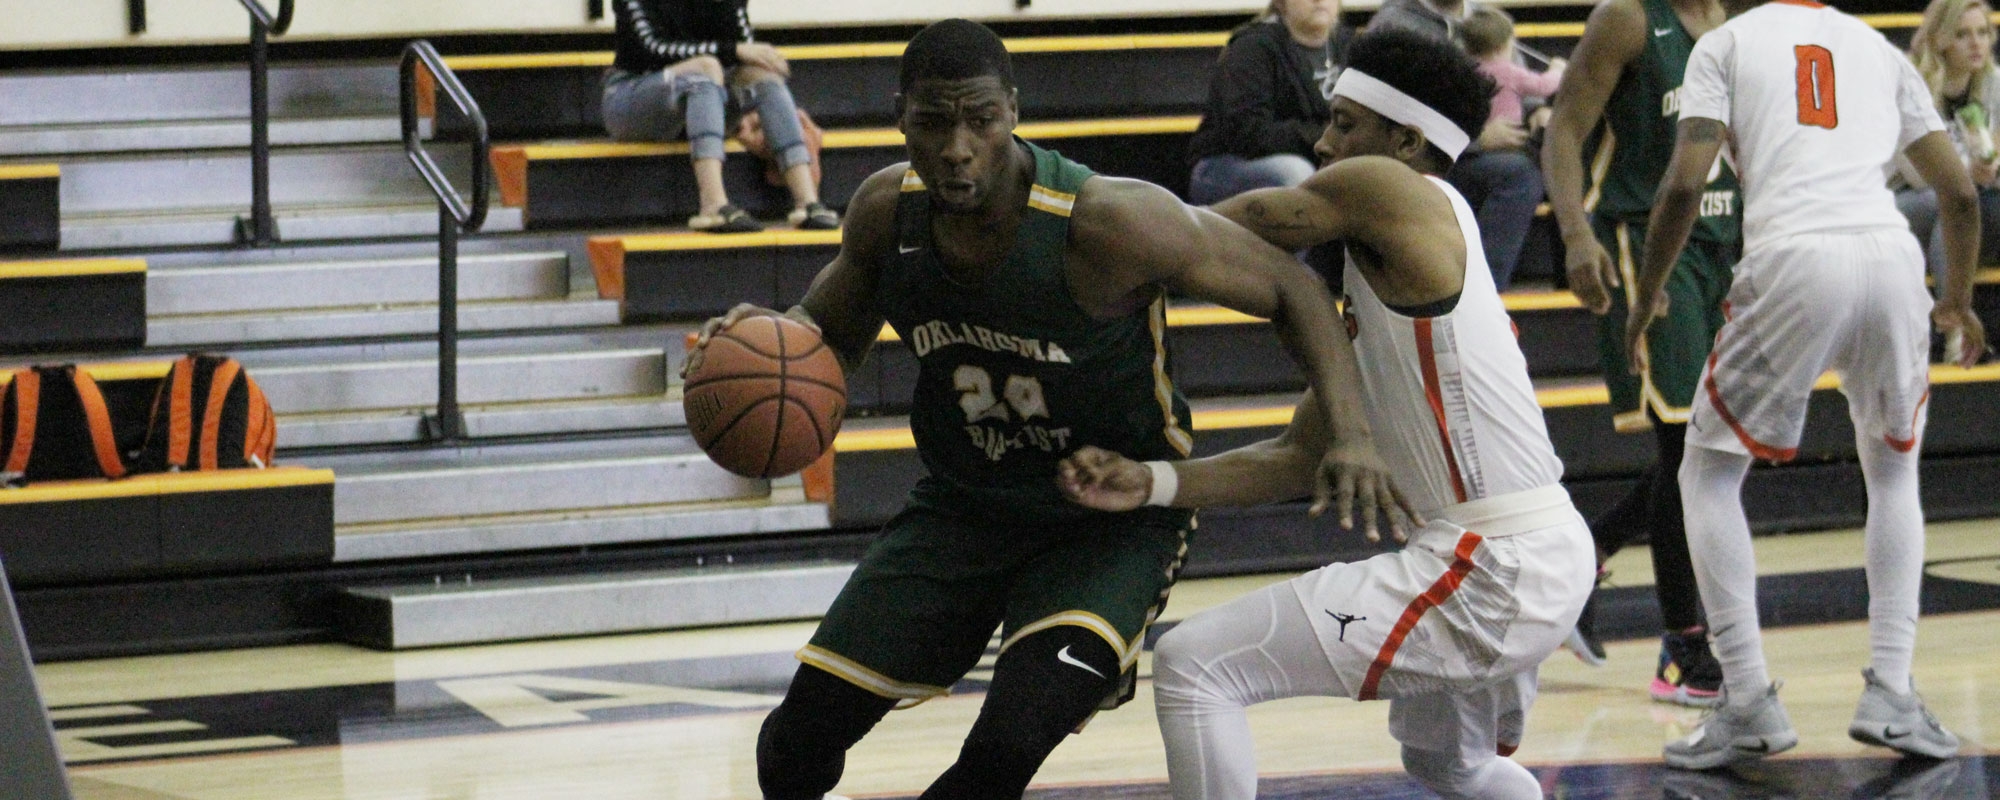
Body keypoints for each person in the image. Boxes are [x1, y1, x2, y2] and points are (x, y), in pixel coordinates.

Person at [699, 20, 1404, 800]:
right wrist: (764, 341)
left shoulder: (1107, 222)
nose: (958, 147)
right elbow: (825, 334)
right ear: (901, 118)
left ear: (1013, 111)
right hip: (964, 508)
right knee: (793, 743)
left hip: (1109, 519)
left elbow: (1293, 286)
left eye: (981, 120)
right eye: (934, 122)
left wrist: (1352, 433)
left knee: (1003, 749)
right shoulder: (886, 213)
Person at [1060, 29, 1595, 800]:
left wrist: (1065, 226)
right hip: (1535, 552)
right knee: (1451, 766)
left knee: (1195, 666)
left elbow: (1203, 232)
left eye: (1344, 123)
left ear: (1404, 142)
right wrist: (1151, 483)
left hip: (1492, 562)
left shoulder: (1390, 186)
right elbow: (1294, 458)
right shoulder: (1403, 278)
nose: (1322, 141)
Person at [1627, 0, 1987, 769]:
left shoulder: (1723, 44)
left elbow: (1684, 186)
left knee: (1707, 472)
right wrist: (1956, 300)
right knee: (1893, 473)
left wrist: (1647, 292)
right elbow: (1958, 194)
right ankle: (1892, 692)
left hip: (1793, 258)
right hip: (1889, 258)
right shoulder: (1878, 47)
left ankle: (1747, 699)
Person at [1539, 0, 1738, 706]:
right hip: (1644, 240)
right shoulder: (1626, 18)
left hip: (1727, 245)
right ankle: (1683, 645)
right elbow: (1563, 132)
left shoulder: (1739, 21)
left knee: (1718, 449)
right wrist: (1573, 235)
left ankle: (1585, 557)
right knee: (1688, 443)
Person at [604, 0, 840, 232]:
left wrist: (752, 102)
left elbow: (745, 49)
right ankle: (713, 204)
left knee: (760, 73)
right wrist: (729, 52)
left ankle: (808, 201)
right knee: (705, 70)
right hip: (633, 96)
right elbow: (649, 50)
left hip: (705, 100)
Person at [1369, 0, 1547, 289]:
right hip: (1421, 162)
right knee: (1519, 174)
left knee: (1561, 157)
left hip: (1482, 156)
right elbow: (1390, 116)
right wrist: (1476, 140)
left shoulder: (1487, 18)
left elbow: (1517, 82)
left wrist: (1538, 109)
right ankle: (1480, 290)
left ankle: (1583, 288)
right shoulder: (1395, 25)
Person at [1893, 0, 2000, 361]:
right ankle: (1957, 328)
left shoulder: (1994, 84)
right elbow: (1915, 173)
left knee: (1959, 204)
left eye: (1983, 33)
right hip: (1905, 204)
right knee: (1948, 201)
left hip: (1972, 205)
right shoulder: (1911, 83)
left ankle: (1956, 330)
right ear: (1939, 39)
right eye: (1962, 34)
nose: (1976, 43)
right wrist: (1967, 172)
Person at [1187, 0, 1353, 205]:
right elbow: (1249, 134)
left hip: (1315, 158)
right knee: (1296, 173)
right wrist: (1323, 136)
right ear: (1282, 3)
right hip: (1226, 165)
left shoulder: (1349, 45)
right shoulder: (1253, 46)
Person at [1463, 6, 1566, 134]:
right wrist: (1557, 70)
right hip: (1510, 136)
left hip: (1476, 135)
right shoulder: (1509, 73)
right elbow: (1542, 86)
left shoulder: (1465, 72)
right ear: (1499, 48)